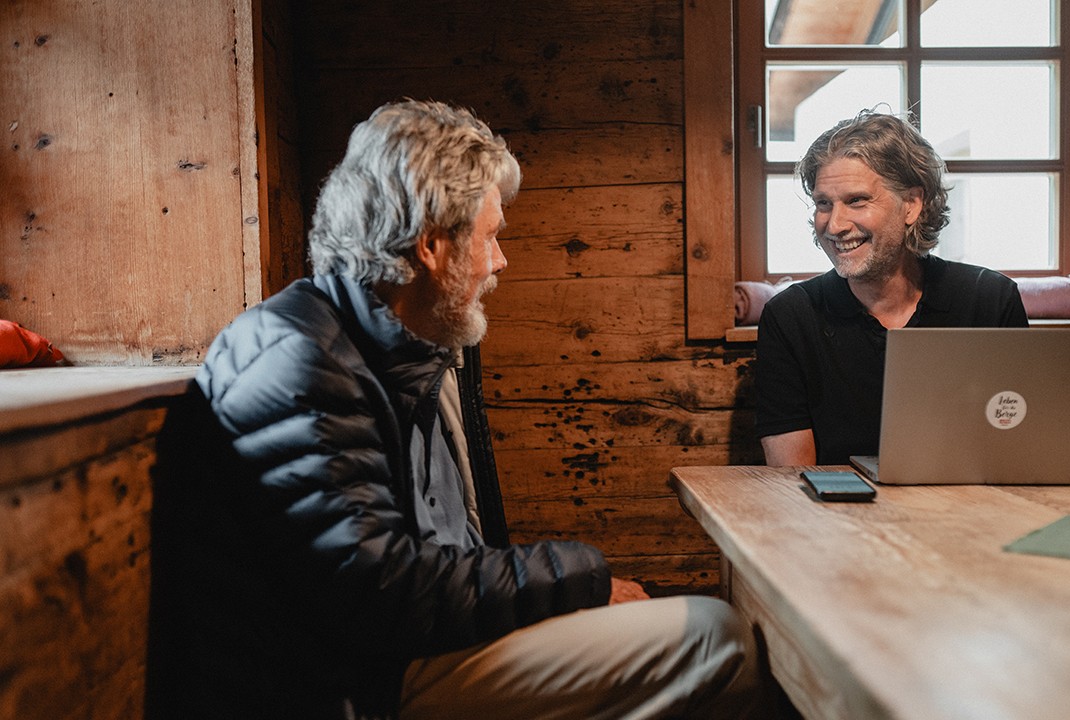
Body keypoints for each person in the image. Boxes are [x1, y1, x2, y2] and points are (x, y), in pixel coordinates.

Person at [148, 100, 773, 720]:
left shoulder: (399, 349)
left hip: (401, 651)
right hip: (356, 683)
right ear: (430, 247)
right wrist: (582, 577)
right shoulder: (299, 360)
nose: (500, 261)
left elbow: (439, 554)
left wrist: (563, 591)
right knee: (715, 639)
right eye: (491, 236)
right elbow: (378, 593)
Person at [755, 110, 1028, 467]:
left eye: (856, 200)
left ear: (912, 205)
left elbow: (1020, 450)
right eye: (824, 203)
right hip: (837, 517)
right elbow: (794, 479)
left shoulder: (990, 300)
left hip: (972, 514)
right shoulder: (791, 317)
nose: (834, 225)